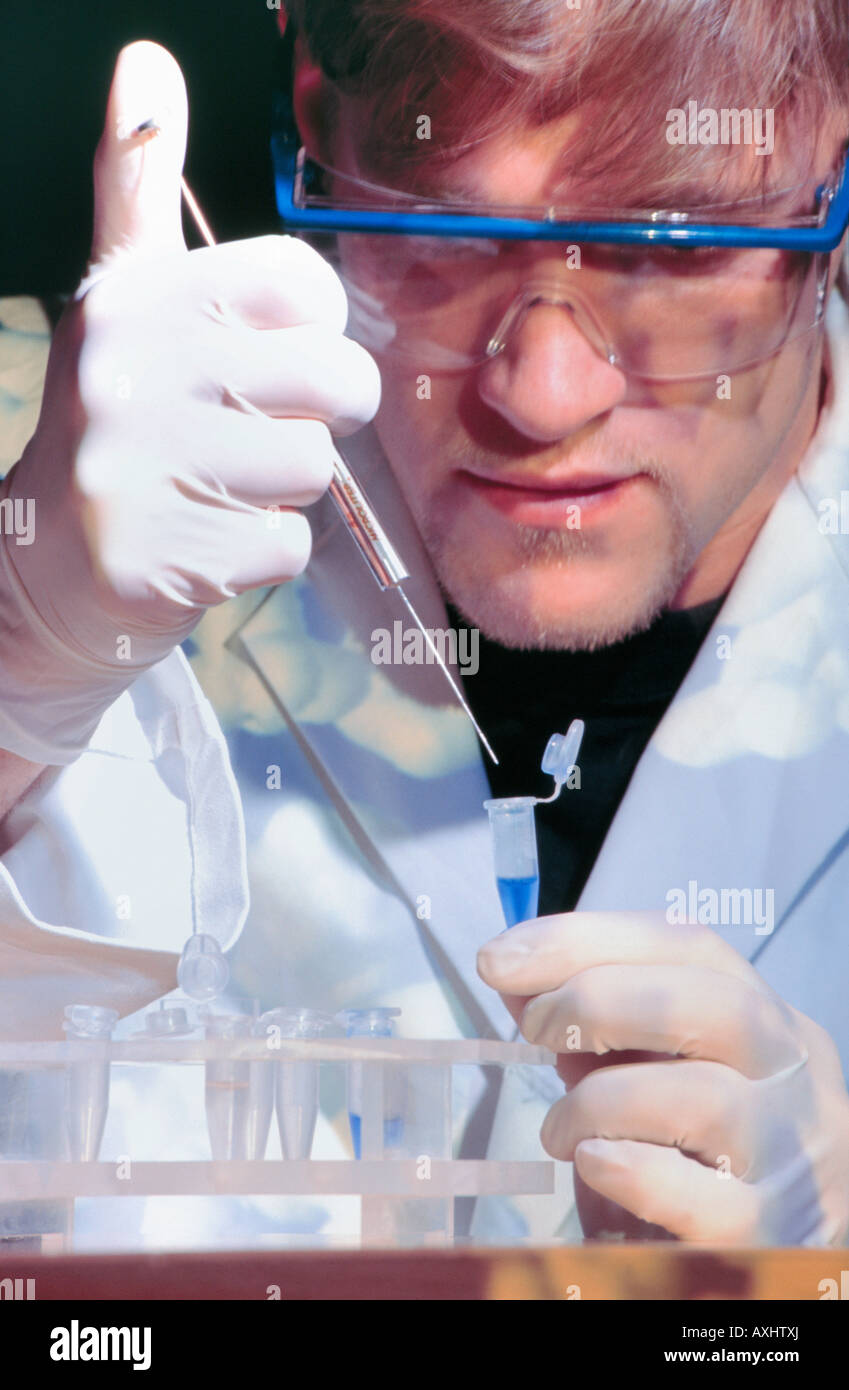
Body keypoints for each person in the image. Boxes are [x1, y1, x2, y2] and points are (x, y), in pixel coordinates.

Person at [1, 0, 848, 1248]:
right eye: (443, 227)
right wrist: (19, 669)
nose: (545, 393)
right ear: (317, 128)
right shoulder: (48, 457)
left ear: (834, 153)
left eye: (673, 237)